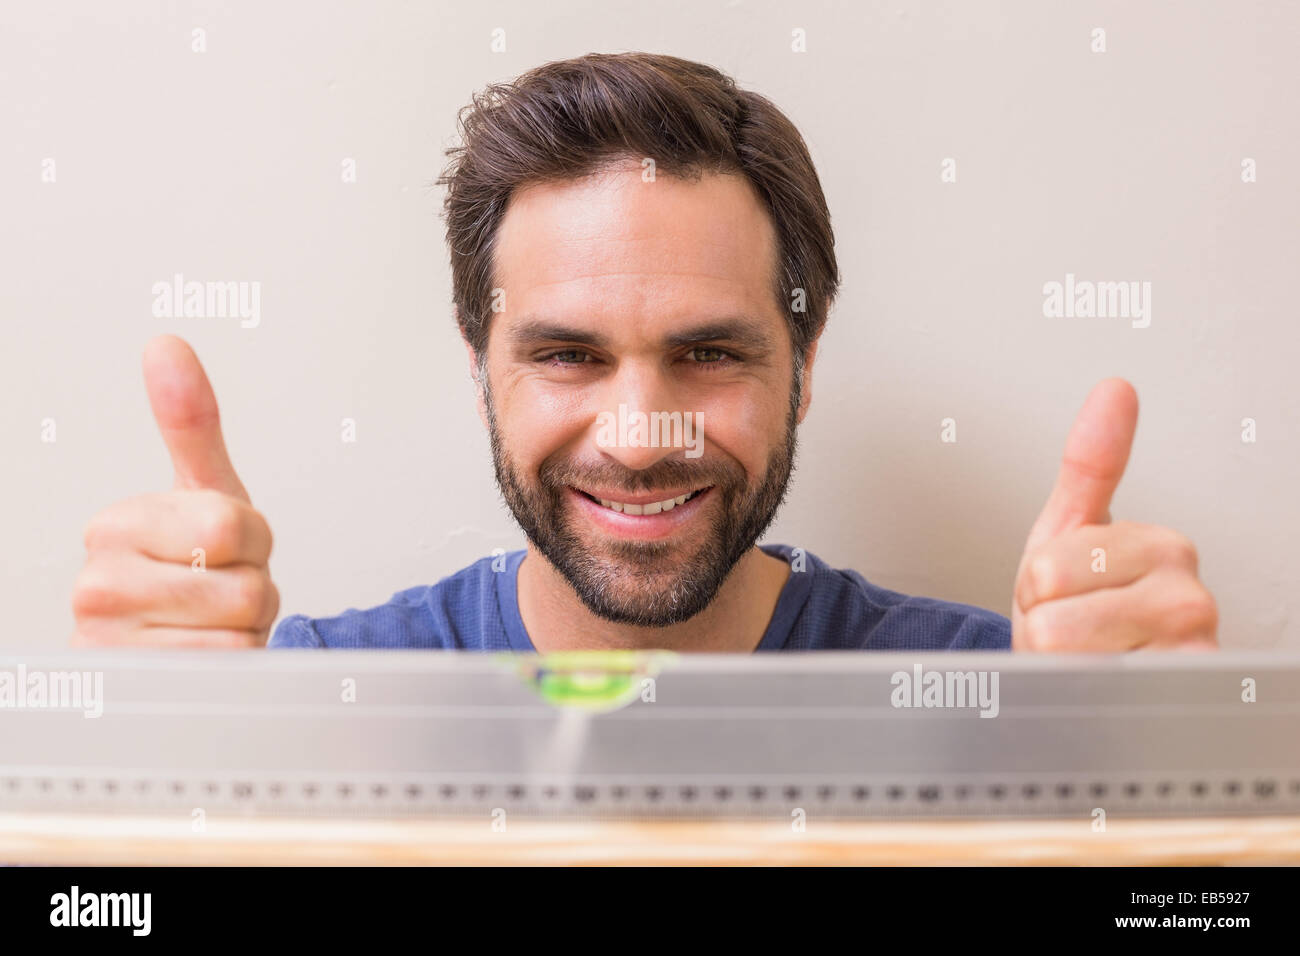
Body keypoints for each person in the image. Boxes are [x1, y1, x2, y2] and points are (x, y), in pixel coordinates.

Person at [71, 53, 1217, 654]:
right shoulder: (315, 693)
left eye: (709, 352)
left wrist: (1160, 786)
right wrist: (133, 763)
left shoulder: (1004, 696)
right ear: (482, 369)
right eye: (567, 355)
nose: (637, 434)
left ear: (804, 367)